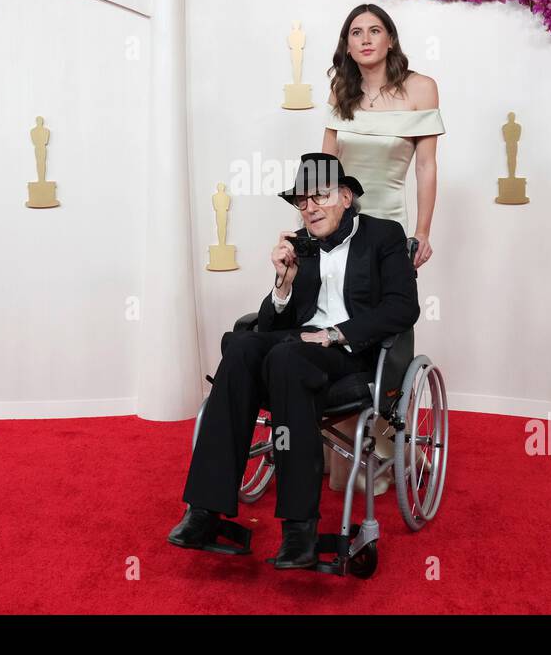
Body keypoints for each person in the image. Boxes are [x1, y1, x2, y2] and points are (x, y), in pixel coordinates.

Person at [169, 153, 420, 570]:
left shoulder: (383, 235)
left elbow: (402, 307)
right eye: (302, 201)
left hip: (349, 355)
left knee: (285, 355)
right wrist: (283, 283)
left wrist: (336, 334)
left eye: (319, 196)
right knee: (242, 345)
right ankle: (204, 511)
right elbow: (270, 323)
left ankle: (299, 530)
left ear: (345, 196)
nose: (310, 208)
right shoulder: (301, 246)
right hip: (295, 351)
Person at [320, 3, 445, 497]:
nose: (366, 39)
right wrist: (307, 226)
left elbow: (426, 167)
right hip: (340, 224)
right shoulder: (342, 89)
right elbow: (326, 162)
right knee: (330, 317)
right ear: (347, 44)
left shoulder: (421, 88)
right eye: (356, 32)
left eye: (375, 30)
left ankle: (389, 444)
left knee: (386, 329)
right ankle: (333, 440)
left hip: (389, 228)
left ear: (390, 39)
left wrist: (424, 231)